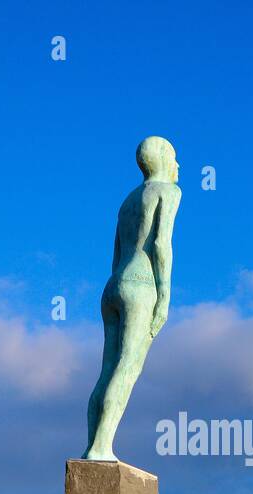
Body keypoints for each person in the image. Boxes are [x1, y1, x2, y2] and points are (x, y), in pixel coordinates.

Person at [83, 136, 182, 462]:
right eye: (175, 158)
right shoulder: (167, 191)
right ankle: (101, 447)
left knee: (107, 370)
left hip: (114, 285)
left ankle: (92, 446)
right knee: (127, 368)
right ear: (165, 159)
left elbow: (114, 255)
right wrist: (164, 296)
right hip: (141, 285)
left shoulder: (128, 200)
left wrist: (119, 283)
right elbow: (161, 246)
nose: (179, 166)